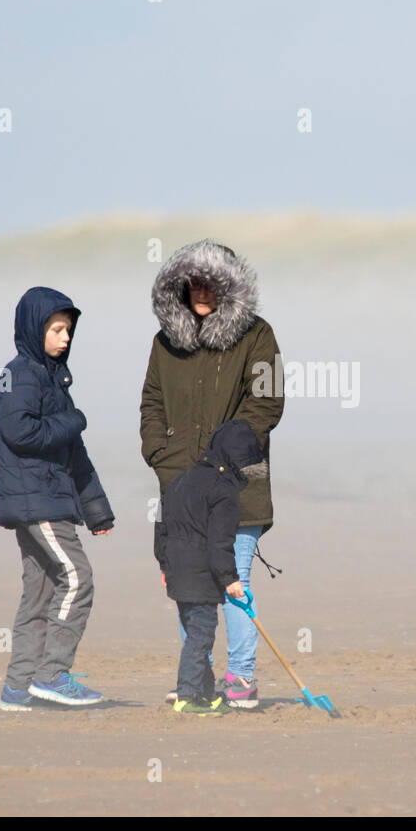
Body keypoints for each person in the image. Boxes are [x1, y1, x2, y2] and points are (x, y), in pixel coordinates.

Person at [140, 240, 284, 708]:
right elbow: (151, 405)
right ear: (179, 285)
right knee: (188, 582)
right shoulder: (164, 343)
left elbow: (268, 402)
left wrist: (229, 458)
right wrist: (160, 456)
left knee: (234, 575)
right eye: (193, 281)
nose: (201, 290)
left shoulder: (258, 334)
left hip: (240, 485)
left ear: (230, 285)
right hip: (180, 484)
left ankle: (241, 677)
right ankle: (196, 679)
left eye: (212, 281)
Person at [0, 286, 115, 711]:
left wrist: (96, 508)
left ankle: (18, 687)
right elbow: (20, 432)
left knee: (41, 592)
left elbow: (73, 453)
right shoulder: (22, 373)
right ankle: (52, 673)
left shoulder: (52, 379)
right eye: (57, 329)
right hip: (36, 498)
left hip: (47, 498)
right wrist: (73, 420)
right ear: (34, 328)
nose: (65, 338)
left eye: (69, 330)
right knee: (78, 579)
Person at [155, 420, 267, 715]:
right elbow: (220, 541)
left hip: (178, 572)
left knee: (195, 633)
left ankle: (204, 692)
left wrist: (164, 565)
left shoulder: (179, 481)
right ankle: (188, 695)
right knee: (202, 636)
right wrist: (230, 579)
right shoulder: (224, 491)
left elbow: (161, 527)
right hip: (201, 577)